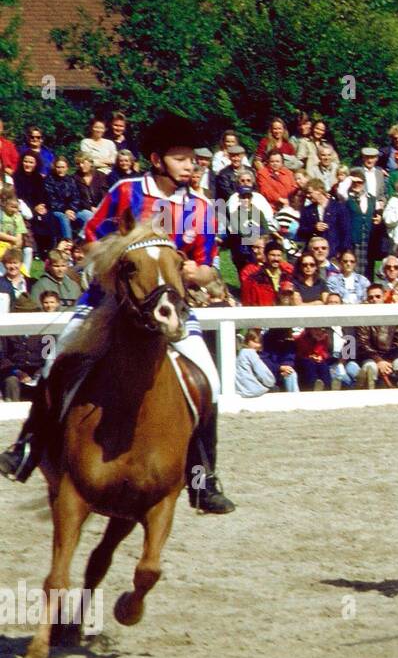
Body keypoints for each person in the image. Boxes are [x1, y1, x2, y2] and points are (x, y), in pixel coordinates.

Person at [0, 114, 235, 512]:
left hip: (171, 310)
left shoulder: (201, 207)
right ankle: (27, 446)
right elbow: (90, 242)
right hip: (108, 303)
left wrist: (200, 272)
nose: (190, 165)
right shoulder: (126, 191)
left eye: (192, 159)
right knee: (58, 357)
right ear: (157, 160)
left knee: (208, 380)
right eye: (180, 159)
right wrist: (118, 261)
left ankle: (203, 479)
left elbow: (209, 264)